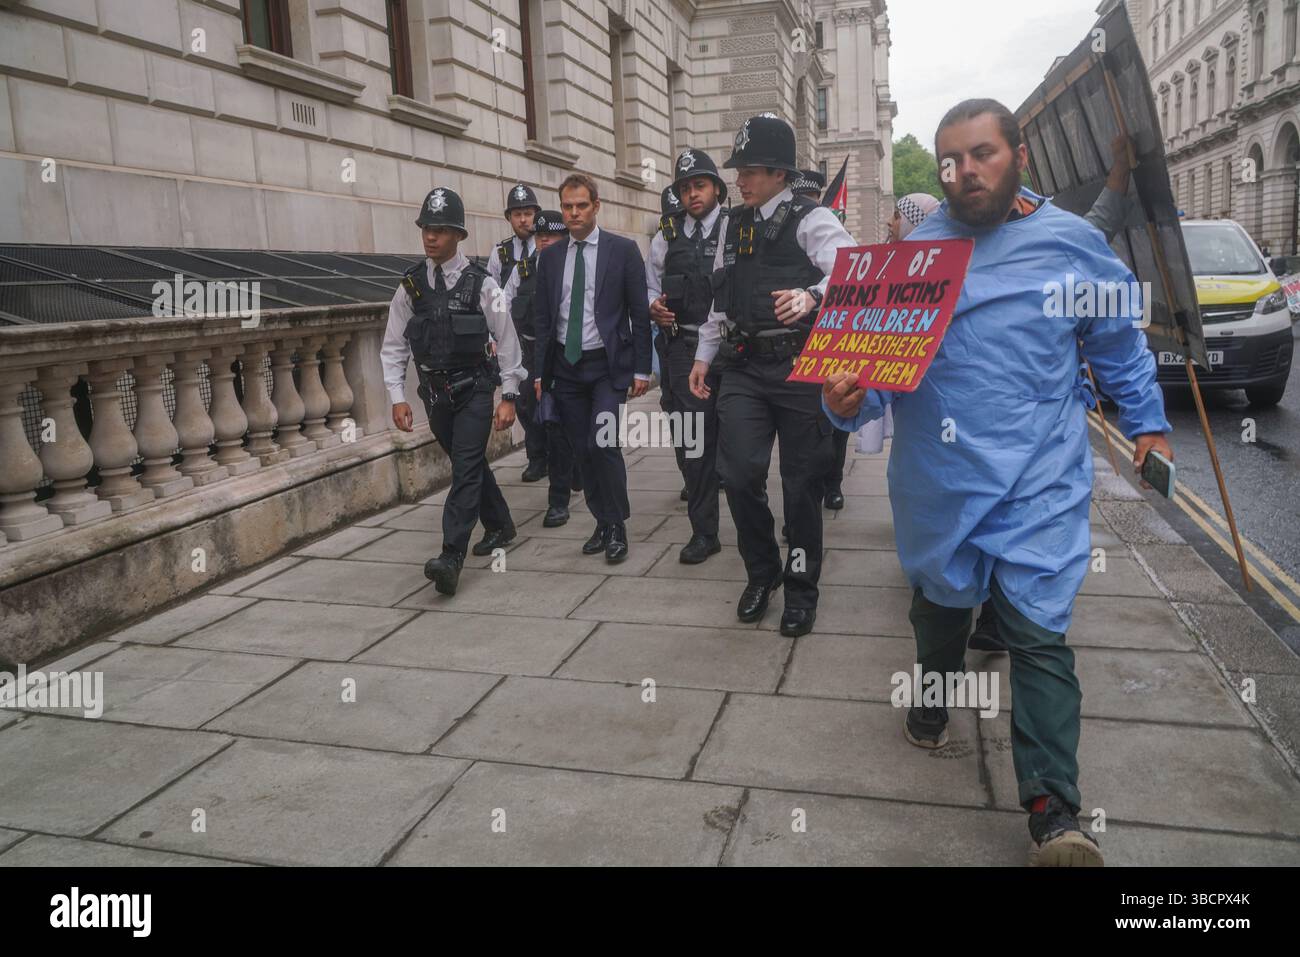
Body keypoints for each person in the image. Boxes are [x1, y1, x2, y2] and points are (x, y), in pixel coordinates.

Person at [823, 99, 1173, 866]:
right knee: (941, 609)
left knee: (1040, 635)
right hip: (941, 482)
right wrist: (847, 397)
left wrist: (1147, 424)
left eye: (982, 153)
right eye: (952, 160)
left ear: (1018, 153)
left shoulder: (1073, 246)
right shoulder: (913, 255)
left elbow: (1116, 345)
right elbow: (871, 375)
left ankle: (1055, 812)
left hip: (1040, 479)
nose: (965, 170)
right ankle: (932, 698)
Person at [967, 131, 1136, 652]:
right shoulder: (948, 239)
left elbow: (1099, 229)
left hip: (1042, 430)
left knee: (1027, 531)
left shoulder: (1063, 238)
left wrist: (1121, 174)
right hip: (966, 436)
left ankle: (1005, 617)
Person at [688, 114, 856, 636]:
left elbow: (853, 271)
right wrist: (702, 355)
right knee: (737, 474)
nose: (741, 179)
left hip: (802, 368)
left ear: (780, 173)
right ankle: (762, 572)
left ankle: (801, 589)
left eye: (753, 170)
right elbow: (722, 297)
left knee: (802, 483)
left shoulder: (813, 220)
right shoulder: (734, 224)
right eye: (740, 169)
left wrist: (812, 295)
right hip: (742, 367)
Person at [382, 187, 524, 596]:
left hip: (476, 389)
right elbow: (393, 346)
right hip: (435, 395)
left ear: (459, 235)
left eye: (441, 230)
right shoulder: (410, 287)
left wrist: (509, 396)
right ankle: (499, 524)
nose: (431, 237)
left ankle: (450, 557)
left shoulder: (483, 285)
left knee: (463, 468)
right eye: (427, 228)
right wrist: (397, 397)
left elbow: (508, 340)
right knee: (470, 465)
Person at [533, 172, 653, 563]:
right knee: (581, 451)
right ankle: (601, 521)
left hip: (606, 367)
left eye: (581, 205)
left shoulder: (622, 250)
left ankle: (617, 525)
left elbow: (639, 312)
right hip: (566, 369)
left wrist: (641, 369)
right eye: (567, 206)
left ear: (596, 206)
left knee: (603, 444)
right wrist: (539, 373)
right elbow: (542, 319)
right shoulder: (549, 258)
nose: (573, 213)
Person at [648, 148, 729, 563]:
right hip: (681, 348)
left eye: (699, 185)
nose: (692, 194)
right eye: (685, 188)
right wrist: (653, 306)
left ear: (716, 187)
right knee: (693, 444)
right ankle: (705, 532)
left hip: (731, 353)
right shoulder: (666, 234)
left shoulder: (736, 228)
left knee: (739, 447)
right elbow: (649, 284)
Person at [501, 209, 580, 528]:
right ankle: (557, 499)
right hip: (532, 353)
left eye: (551, 236)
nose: (544, 241)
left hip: (567, 354)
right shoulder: (524, 268)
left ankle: (577, 468)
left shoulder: (578, 268)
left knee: (571, 425)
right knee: (546, 420)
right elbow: (502, 305)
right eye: (540, 236)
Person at [489, 183, 543, 480]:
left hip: (545, 337)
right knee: (522, 401)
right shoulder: (500, 253)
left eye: (528, 213)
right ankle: (537, 457)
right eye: (518, 214)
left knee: (549, 399)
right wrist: (493, 337)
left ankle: (561, 456)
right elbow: (494, 297)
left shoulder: (548, 246)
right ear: (509, 217)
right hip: (516, 341)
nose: (524, 220)